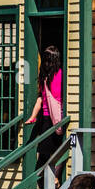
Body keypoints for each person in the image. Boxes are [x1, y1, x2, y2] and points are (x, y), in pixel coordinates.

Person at [25, 45, 65, 179]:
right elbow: (41, 98)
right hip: (54, 118)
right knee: (50, 152)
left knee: (50, 152)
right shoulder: (55, 75)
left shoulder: (49, 76)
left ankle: (53, 179)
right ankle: (51, 180)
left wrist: (33, 116)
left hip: (51, 119)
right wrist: (32, 117)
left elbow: (39, 99)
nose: (46, 63)